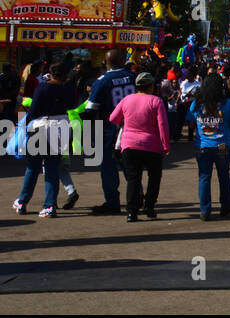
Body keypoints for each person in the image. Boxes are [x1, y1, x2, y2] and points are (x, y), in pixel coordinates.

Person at [12, 62, 75, 218]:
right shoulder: (69, 89)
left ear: (50, 73)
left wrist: (21, 127)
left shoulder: (43, 87)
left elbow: (33, 111)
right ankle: (50, 206)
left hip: (40, 127)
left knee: (32, 167)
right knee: (52, 167)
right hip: (60, 128)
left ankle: (22, 202)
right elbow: (72, 105)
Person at [110, 73, 172, 223]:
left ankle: (131, 212)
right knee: (154, 176)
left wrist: (125, 119)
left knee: (133, 179)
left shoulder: (126, 100)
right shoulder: (156, 101)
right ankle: (149, 207)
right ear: (150, 86)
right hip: (151, 145)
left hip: (129, 145)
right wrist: (166, 145)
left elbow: (113, 118)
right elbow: (162, 125)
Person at [85, 50, 135, 215]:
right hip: (132, 127)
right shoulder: (133, 77)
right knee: (130, 166)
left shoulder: (102, 81)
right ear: (122, 60)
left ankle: (113, 202)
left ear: (105, 63)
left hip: (109, 129)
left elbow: (90, 110)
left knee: (108, 167)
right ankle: (137, 198)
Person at [188, 75, 230, 220]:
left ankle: (205, 210)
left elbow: (191, 125)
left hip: (203, 145)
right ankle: (226, 205)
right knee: (223, 176)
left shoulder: (197, 104)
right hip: (222, 145)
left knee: (204, 177)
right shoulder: (227, 103)